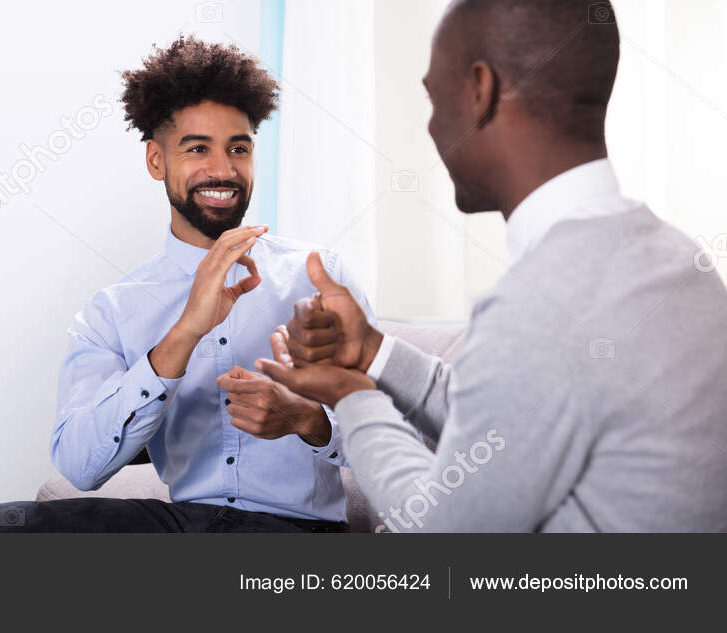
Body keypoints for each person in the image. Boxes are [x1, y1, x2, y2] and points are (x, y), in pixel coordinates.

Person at [257, 0, 727, 532]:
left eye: (434, 100)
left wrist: (350, 395)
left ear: (480, 91)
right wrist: (370, 351)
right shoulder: (683, 263)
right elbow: (510, 423)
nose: (432, 128)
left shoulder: (541, 301)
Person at [0, 36, 374, 532]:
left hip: (294, 530)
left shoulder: (317, 277)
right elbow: (78, 465)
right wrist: (184, 333)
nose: (223, 170)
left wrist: (309, 420)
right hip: (181, 524)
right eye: (197, 148)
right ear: (157, 161)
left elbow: (394, 443)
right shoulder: (112, 311)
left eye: (238, 148)